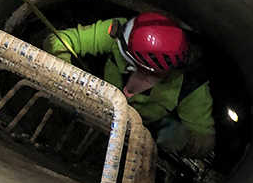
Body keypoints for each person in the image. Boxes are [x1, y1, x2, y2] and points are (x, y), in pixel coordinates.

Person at [44, 12, 215, 158]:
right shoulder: (123, 33)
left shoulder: (192, 86)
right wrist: (68, 79)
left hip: (130, 141)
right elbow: (58, 40)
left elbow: (205, 141)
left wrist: (175, 137)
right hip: (91, 107)